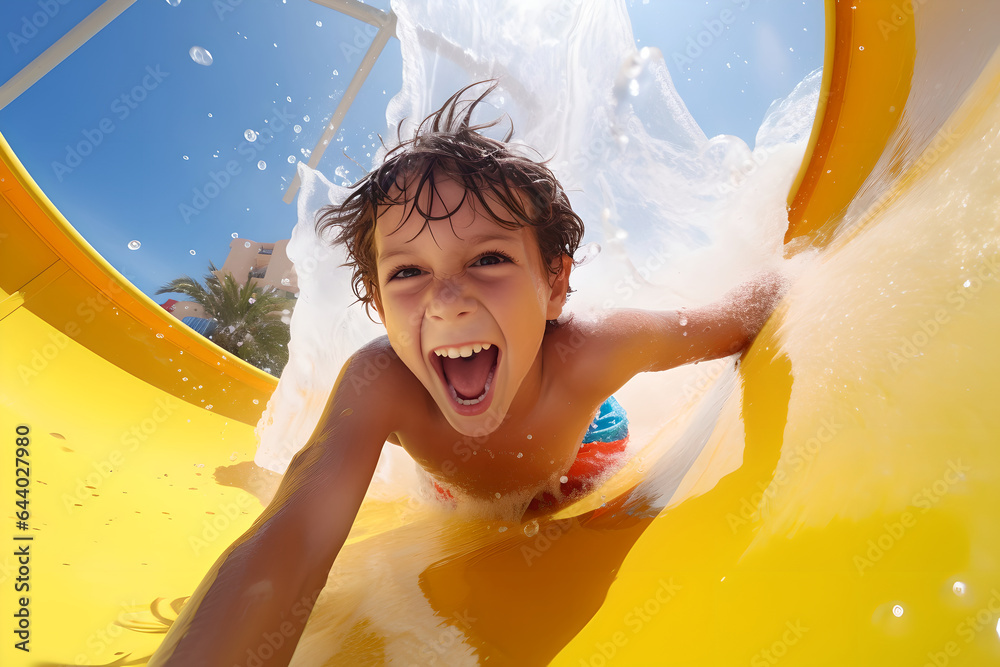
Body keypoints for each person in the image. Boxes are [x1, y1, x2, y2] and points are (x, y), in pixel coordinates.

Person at [148, 81, 785, 666]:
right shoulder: (382, 384)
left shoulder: (594, 348)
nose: (446, 299)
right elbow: (292, 537)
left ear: (555, 283)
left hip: (588, 456)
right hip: (461, 496)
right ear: (376, 304)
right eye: (407, 272)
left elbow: (736, 316)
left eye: (487, 258)